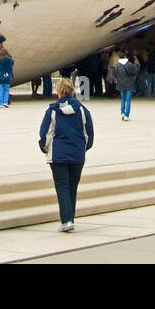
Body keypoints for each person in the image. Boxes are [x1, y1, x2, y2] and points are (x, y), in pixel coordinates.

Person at [38, 79, 94, 232]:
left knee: (62, 187)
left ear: (58, 92)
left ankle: (67, 220)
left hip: (58, 155)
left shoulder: (52, 111)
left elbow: (45, 133)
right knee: (72, 187)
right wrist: (83, 148)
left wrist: (44, 148)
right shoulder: (82, 110)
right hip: (77, 155)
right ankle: (70, 218)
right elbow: (88, 133)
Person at [111, 53, 140, 120]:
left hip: (121, 84)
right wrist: (137, 64)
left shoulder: (116, 65)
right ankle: (127, 115)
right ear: (125, 57)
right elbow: (136, 71)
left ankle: (122, 113)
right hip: (129, 84)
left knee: (123, 99)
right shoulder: (129, 64)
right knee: (128, 100)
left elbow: (115, 75)